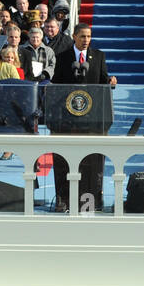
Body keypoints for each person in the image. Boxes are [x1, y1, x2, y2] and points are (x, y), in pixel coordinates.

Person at [51, 22, 116, 212]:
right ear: (74, 36)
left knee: (93, 161)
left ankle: (95, 197)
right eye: (82, 36)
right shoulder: (63, 57)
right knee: (64, 160)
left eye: (89, 36)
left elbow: (103, 80)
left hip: (93, 120)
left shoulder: (98, 56)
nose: (86, 40)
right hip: (67, 122)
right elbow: (57, 84)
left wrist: (111, 81)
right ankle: (63, 199)